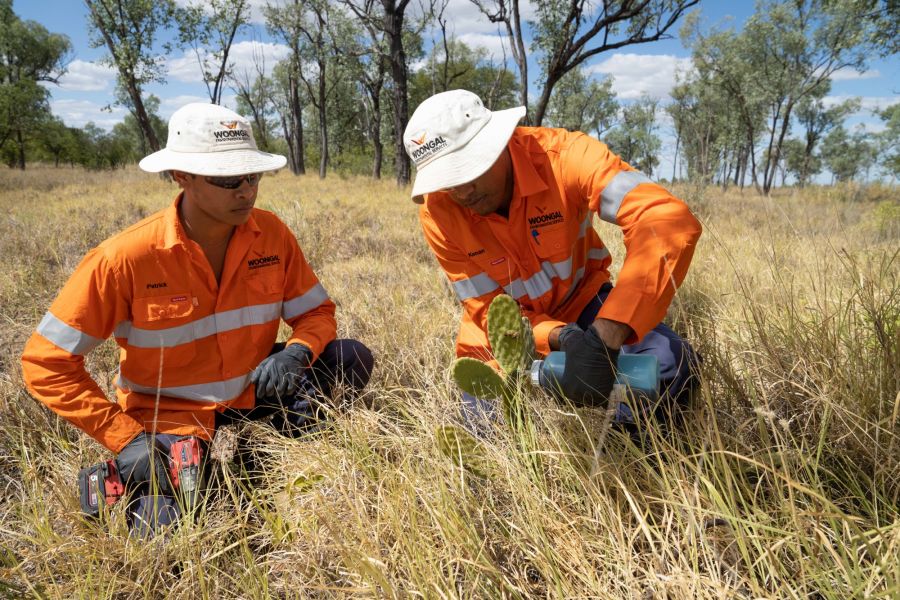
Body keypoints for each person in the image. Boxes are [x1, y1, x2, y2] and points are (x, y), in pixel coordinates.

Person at [21, 103, 374, 535]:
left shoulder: (273, 234)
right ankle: (150, 476)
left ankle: (271, 448)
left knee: (349, 357)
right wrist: (126, 439)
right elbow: (45, 363)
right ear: (181, 177)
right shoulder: (123, 259)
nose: (247, 191)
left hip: (254, 389)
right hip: (169, 419)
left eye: (253, 176)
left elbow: (316, 312)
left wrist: (296, 353)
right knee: (164, 532)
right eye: (228, 181)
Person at [403, 89, 701, 431]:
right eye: (448, 181)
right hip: (503, 336)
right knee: (487, 440)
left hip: (584, 302)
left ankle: (627, 448)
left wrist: (606, 335)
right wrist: (562, 338)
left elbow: (666, 219)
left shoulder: (565, 156)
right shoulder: (437, 213)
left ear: (497, 143)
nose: (462, 193)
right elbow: (487, 308)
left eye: (469, 172)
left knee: (668, 362)